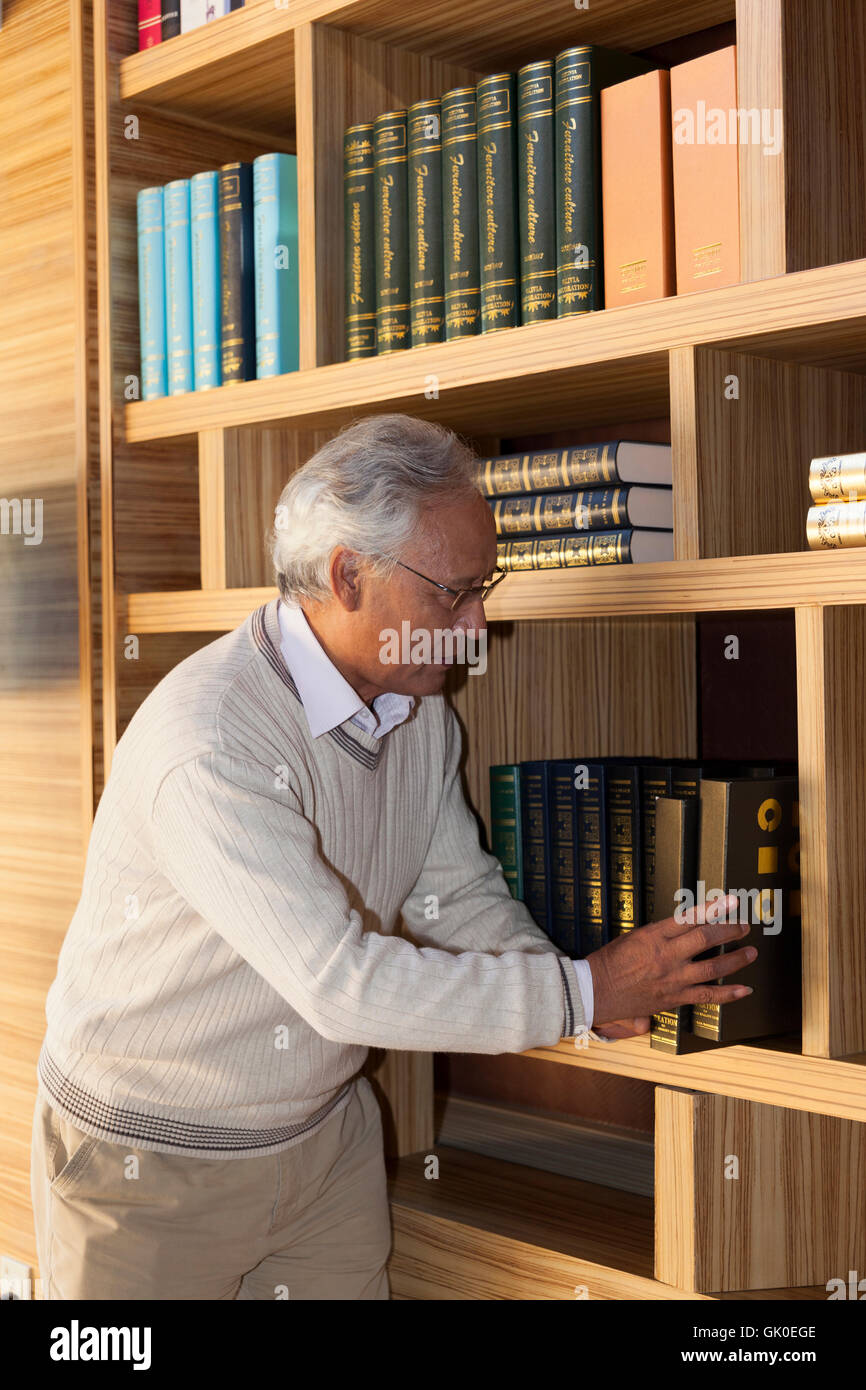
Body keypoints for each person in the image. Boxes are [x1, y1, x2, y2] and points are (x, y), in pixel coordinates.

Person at [31, 413, 755, 1299]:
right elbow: (340, 985)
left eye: (483, 586)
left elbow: (459, 894)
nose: (478, 625)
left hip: (323, 1140)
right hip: (143, 1168)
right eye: (453, 593)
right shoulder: (212, 739)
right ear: (346, 575)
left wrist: (574, 994)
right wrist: (585, 989)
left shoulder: (420, 720)